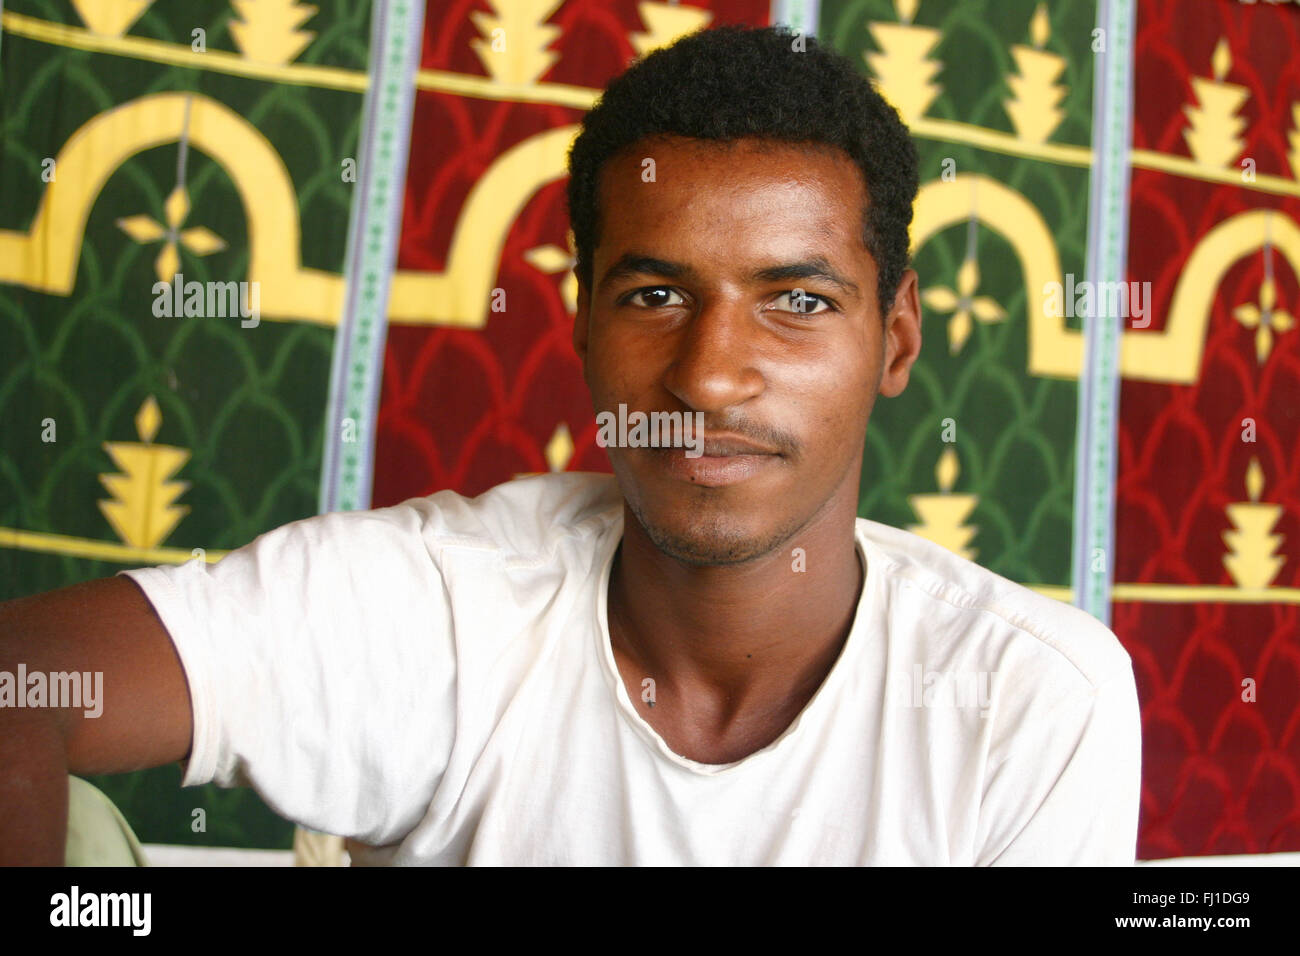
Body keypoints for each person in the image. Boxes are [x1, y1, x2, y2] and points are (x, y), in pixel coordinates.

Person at [0, 24, 1140, 865]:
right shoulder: (446, 607)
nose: (707, 374)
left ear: (894, 342)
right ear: (583, 324)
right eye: (653, 295)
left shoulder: (1031, 700)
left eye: (795, 301)